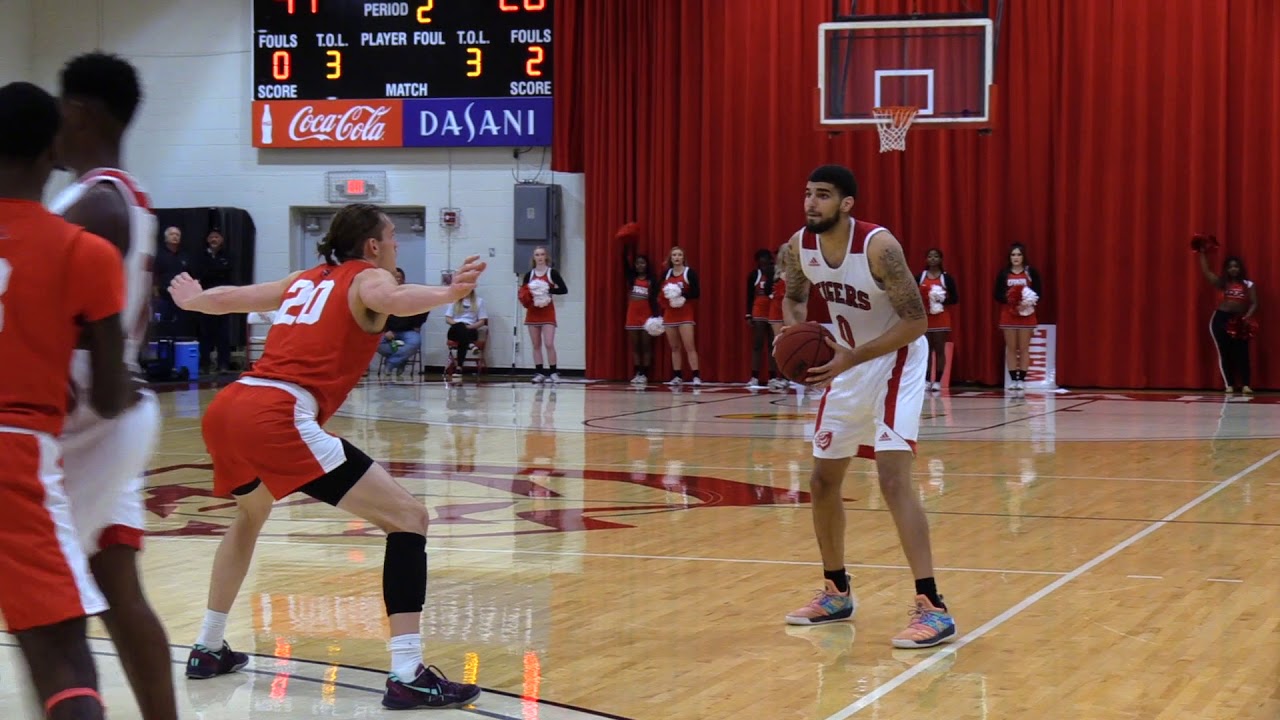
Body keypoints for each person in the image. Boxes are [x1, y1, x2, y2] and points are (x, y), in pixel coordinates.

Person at [169, 203, 486, 709]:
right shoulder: (367, 279)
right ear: (374, 246)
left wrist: (197, 298)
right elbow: (397, 297)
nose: (396, 247)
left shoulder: (305, 277)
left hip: (230, 405)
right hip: (278, 411)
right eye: (393, 239)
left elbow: (234, 299)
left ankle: (208, 646)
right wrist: (450, 293)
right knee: (409, 518)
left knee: (251, 513)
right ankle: (407, 672)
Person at [46, 52, 177, 720]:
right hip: (115, 409)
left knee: (46, 599)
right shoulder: (132, 198)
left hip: (75, 417)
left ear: (79, 111)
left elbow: (35, 307)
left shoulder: (91, 202)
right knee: (119, 592)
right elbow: (138, 316)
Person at [778, 164, 955, 648]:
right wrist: (793, 337)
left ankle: (933, 606)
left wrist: (851, 356)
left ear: (847, 204)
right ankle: (836, 591)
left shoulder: (879, 247)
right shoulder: (799, 247)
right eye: (808, 194)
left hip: (895, 357)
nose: (812, 203)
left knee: (893, 478)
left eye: (823, 196)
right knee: (821, 480)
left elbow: (916, 321)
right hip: (846, 361)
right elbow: (794, 301)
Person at [0, 80, 133, 720]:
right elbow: (109, 398)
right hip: (14, 455)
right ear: (54, 147)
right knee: (65, 656)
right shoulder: (84, 250)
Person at [1196, 249, 1258, 394]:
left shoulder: (1248, 284)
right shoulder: (1223, 283)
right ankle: (1229, 384)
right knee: (1225, 352)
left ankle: (1246, 385)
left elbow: (1254, 303)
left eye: (1236, 266)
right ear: (1226, 269)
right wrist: (1202, 254)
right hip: (1220, 319)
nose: (1233, 269)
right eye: (1230, 266)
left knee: (1243, 353)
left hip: (1240, 320)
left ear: (1240, 268)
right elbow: (1207, 273)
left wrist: (1247, 317)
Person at [993, 243, 1042, 392]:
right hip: (1008, 315)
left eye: (1019, 254)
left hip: (1026, 315)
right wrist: (1010, 299)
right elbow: (997, 294)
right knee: (1011, 348)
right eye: (1013, 255)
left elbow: (1039, 293)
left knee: (1024, 347)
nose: (1016, 257)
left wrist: (1027, 301)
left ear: (1023, 256)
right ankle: (1014, 379)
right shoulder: (1004, 273)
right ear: (1009, 257)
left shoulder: (1031, 273)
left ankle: (1022, 379)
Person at [521, 246, 567, 383]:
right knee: (536, 344)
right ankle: (539, 373)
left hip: (547, 312)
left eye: (542, 254)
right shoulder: (529, 275)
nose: (540, 257)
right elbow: (523, 293)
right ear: (534, 257)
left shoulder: (552, 273)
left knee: (548, 343)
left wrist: (548, 291)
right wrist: (529, 297)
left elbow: (564, 290)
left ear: (546, 257)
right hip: (533, 312)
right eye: (537, 255)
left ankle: (553, 372)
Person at [918, 248, 959, 392]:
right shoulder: (920, 277)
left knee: (939, 349)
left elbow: (955, 298)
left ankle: (938, 381)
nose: (933, 258)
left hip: (941, 318)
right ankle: (927, 379)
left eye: (936, 256)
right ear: (926, 259)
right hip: (926, 318)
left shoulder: (946, 278)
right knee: (926, 350)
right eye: (930, 256)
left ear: (941, 259)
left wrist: (940, 299)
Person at [377, 267, 429, 379]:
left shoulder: (410, 294)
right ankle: (401, 360)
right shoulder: (382, 295)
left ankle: (391, 362)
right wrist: (385, 330)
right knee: (375, 343)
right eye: (395, 278)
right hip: (390, 331)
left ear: (403, 279)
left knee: (415, 341)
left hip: (408, 331)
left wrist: (417, 324)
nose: (397, 280)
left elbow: (425, 307)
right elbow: (377, 314)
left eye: (399, 277)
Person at [660, 246, 701, 386]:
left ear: (683, 258)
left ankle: (696, 376)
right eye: (674, 255)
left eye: (679, 255)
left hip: (685, 313)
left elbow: (696, 293)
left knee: (689, 346)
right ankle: (677, 376)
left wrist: (681, 295)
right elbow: (659, 293)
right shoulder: (666, 274)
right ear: (670, 258)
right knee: (675, 347)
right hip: (670, 314)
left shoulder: (689, 273)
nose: (677, 258)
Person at [622, 233, 660, 385]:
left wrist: (656, 317)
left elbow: (656, 300)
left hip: (646, 316)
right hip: (632, 315)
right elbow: (624, 262)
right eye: (637, 263)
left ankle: (645, 373)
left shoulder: (652, 280)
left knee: (646, 346)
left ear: (647, 265)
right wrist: (627, 245)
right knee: (636, 346)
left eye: (642, 263)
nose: (640, 265)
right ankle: (637, 372)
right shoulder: (632, 279)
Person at [746, 248, 779, 388]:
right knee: (757, 344)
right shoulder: (754, 274)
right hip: (758, 310)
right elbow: (748, 295)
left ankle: (773, 377)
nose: (764, 262)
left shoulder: (776, 274)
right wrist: (748, 314)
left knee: (773, 345)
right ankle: (754, 377)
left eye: (766, 259)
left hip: (772, 310)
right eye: (761, 259)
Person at [444, 289, 488, 383]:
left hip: (471, 329)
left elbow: (482, 321)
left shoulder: (479, 301)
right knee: (460, 326)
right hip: (455, 329)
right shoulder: (455, 300)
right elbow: (448, 318)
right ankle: (471, 345)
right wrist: (459, 325)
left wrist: (470, 327)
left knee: (463, 337)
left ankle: (459, 367)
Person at [767, 242, 792, 391]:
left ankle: (792, 375)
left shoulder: (798, 273)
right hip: (776, 311)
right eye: (787, 253)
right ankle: (779, 376)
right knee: (779, 344)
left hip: (790, 311)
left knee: (792, 343)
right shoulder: (774, 272)